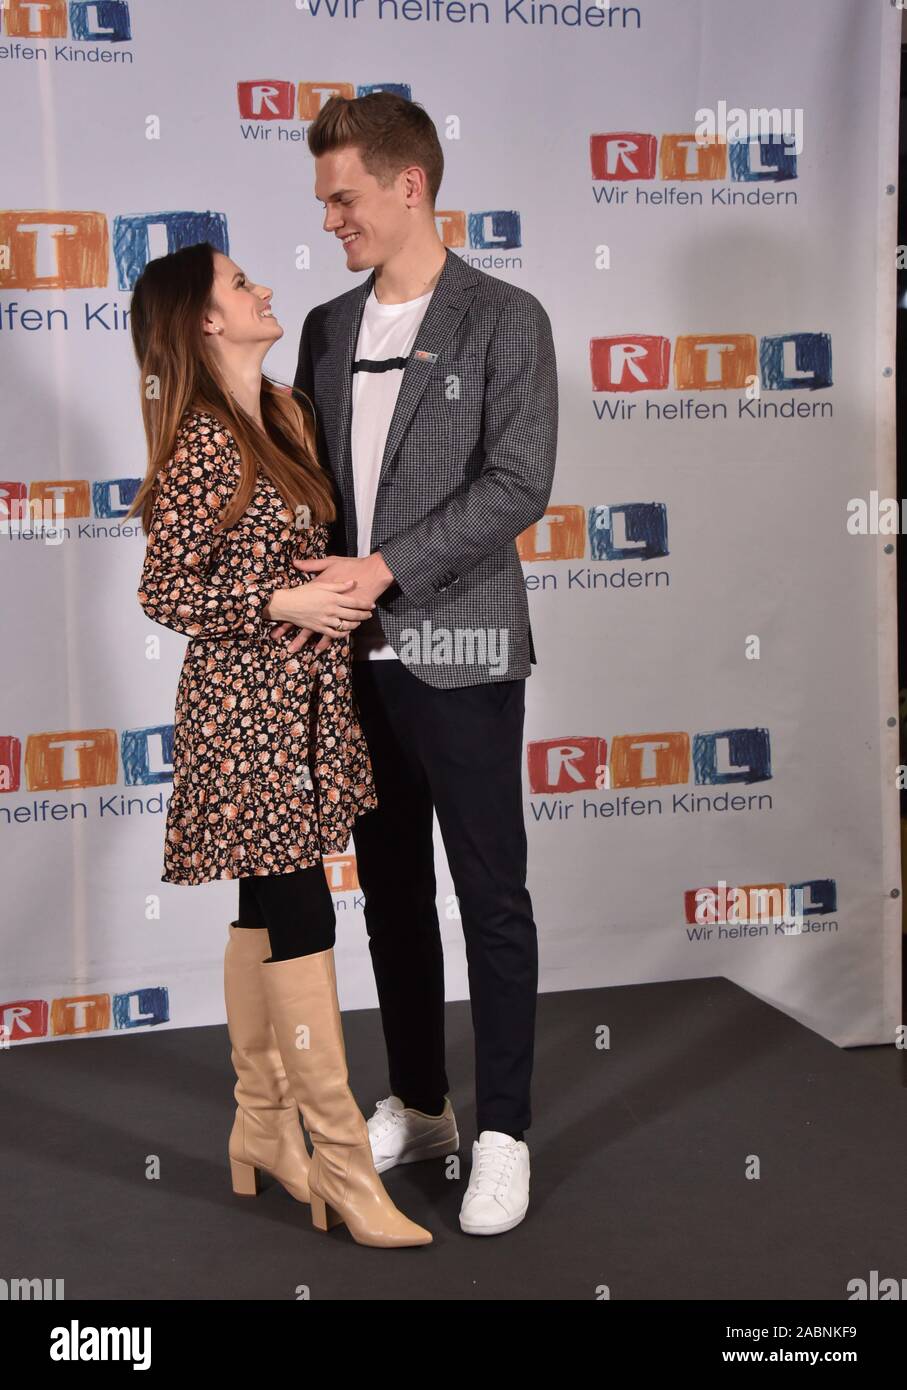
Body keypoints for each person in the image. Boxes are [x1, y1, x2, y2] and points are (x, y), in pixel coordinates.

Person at [126, 240, 432, 1248]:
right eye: (238, 283)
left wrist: (335, 584)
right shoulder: (204, 438)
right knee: (303, 913)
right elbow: (163, 589)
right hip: (242, 707)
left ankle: (261, 1124)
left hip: (309, 697)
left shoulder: (290, 411)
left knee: (268, 898)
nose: (262, 289)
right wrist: (279, 597)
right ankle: (341, 1162)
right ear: (205, 320)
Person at [291, 92, 558, 1235]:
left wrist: (381, 567)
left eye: (343, 197)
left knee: (489, 895)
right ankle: (425, 1103)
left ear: (409, 186)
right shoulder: (324, 325)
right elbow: (309, 480)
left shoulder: (506, 317)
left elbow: (516, 485)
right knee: (391, 892)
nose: (330, 220)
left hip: (459, 641)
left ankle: (504, 1133)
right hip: (357, 660)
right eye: (323, 201)